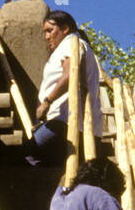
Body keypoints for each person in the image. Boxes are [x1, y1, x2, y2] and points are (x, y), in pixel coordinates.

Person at [27, 10, 104, 167]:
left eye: (50, 30)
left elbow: (70, 74)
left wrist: (47, 102)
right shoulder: (81, 46)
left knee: (28, 153)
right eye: (45, 32)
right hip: (83, 127)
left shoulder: (71, 43)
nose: (47, 37)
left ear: (65, 28)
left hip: (65, 123)